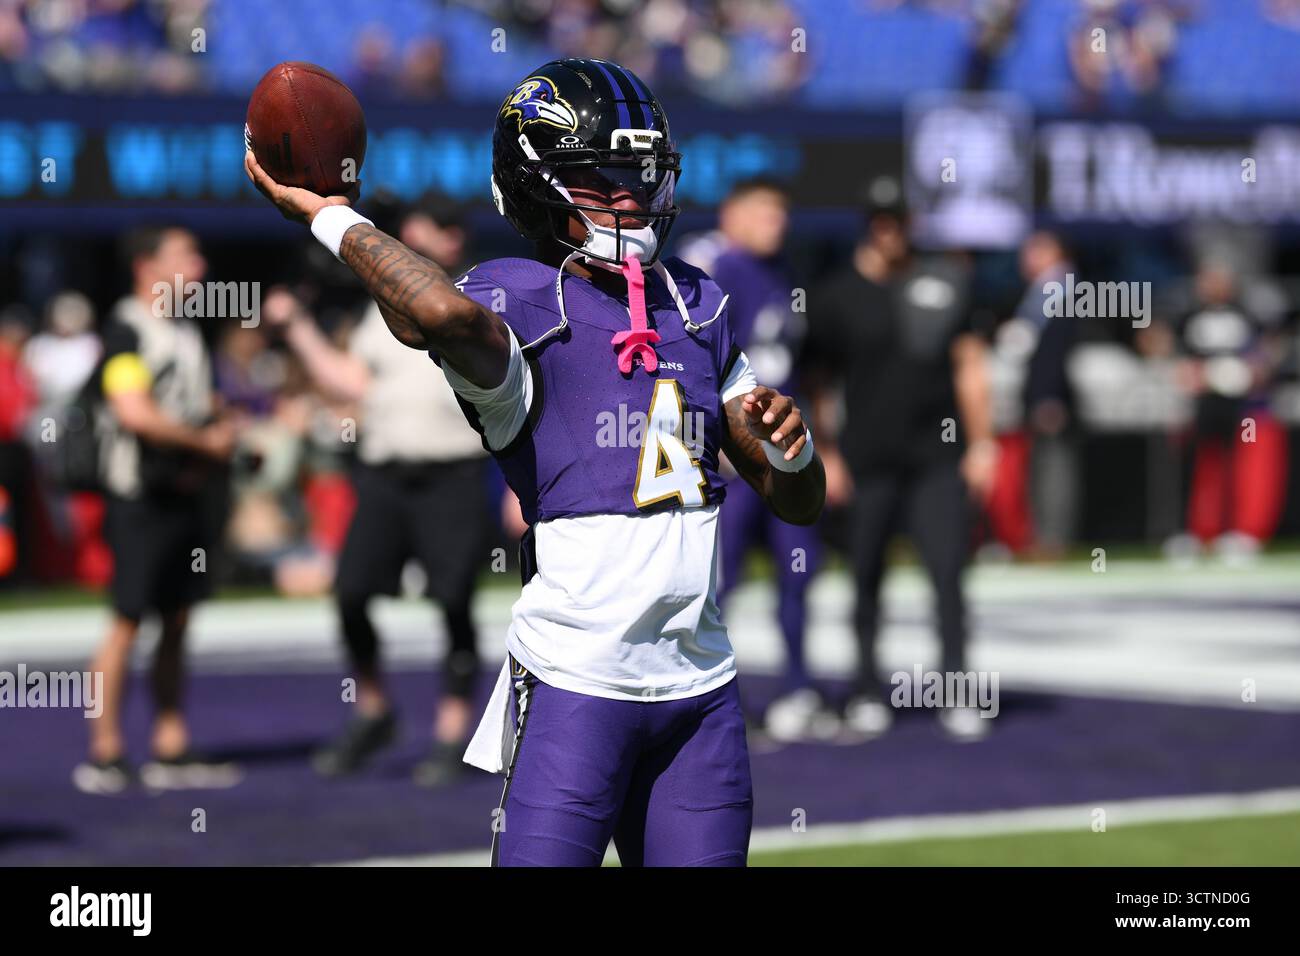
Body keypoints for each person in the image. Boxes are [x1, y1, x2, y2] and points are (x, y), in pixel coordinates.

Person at [246, 57, 825, 866]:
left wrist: (792, 453)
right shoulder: (520, 299)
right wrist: (330, 214)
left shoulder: (700, 303)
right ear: (538, 187)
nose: (629, 197)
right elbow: (439, 310)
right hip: (576, 687)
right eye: (601, 179)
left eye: (640, 174)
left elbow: (799, 501)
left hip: (701, 690)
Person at [266, 195, 493, 787]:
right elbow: (353, 383)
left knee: (453, 602)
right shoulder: (385, 302)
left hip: (455, 473)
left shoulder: (481, 293)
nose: (422, 237)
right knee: (350, 593)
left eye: (438, 227)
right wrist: (298, 330)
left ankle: (450, 731)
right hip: (387, 474)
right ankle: (375, 709)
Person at [807, 190, 995, 743]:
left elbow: (969, 365)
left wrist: (983, 443)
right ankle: (867, 688)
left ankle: (957, 689)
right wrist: (830, 452)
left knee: (947, 572)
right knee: (865, 574)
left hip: (936, 455)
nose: (890, 232)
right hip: (867, 456)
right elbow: (820, 381)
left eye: (899, 222)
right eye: (881, 222)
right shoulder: (837, 294)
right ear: (869, 225)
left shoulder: (944, 282)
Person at [74, 226, 241, 794]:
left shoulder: (187, 329)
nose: (198, 264)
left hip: (184, 497)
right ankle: (106, 751)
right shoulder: (126, 328)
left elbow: (205, 405)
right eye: (183, 254)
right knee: (127, 619)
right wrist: (207, 444)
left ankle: (170, 744)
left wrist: (228, 432)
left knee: (176, 619)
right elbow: (134, 414)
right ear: (146, 265)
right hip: (139, 498)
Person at [682, 178, 830, 742]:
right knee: (718, 580)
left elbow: (797, 369)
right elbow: (691, 360)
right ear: (732, 213)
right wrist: (713, 441)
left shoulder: (781, 271)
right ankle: (706, 698)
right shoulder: (710, 265)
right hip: (732, 455)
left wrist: (824, 447)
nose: (777, 221)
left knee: (799, 570)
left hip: (783, 447)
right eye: (764, 210)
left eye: (782, 210)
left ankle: (797, 688)